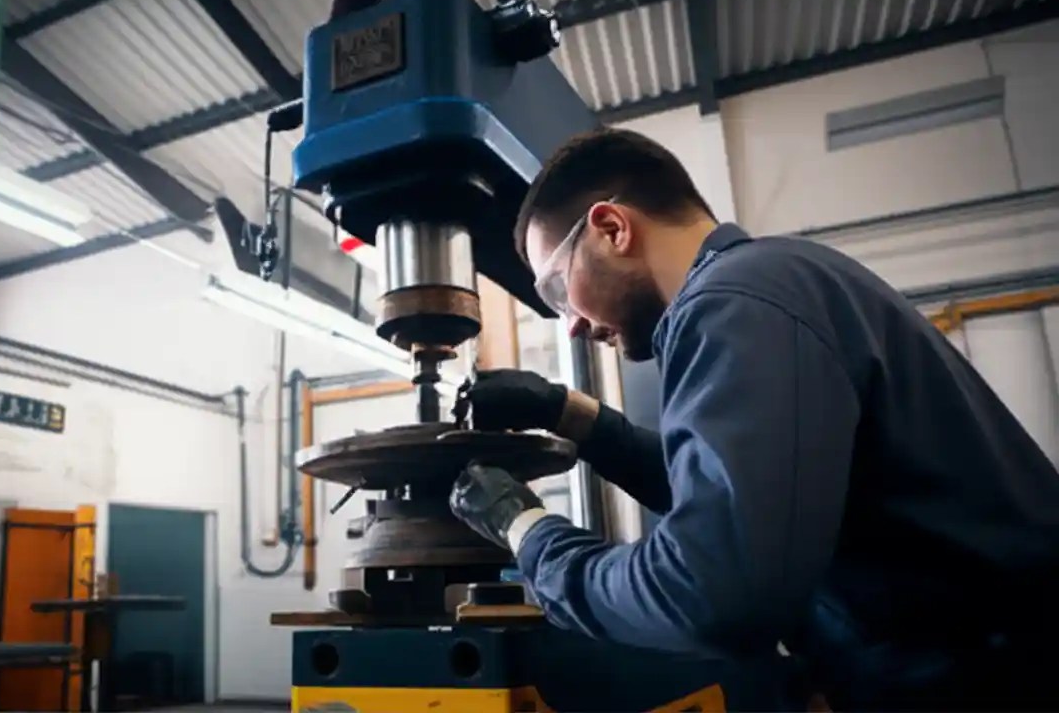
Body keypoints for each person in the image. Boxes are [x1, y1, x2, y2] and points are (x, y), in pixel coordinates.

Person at [447, 128, 1059, 710]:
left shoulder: (731, 304)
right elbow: (746, 493)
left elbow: (707, 592)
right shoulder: (771, 281)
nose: (572, 323)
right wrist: (569, 413)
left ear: (612, 227)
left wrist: (527, 531)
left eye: (556, 290)